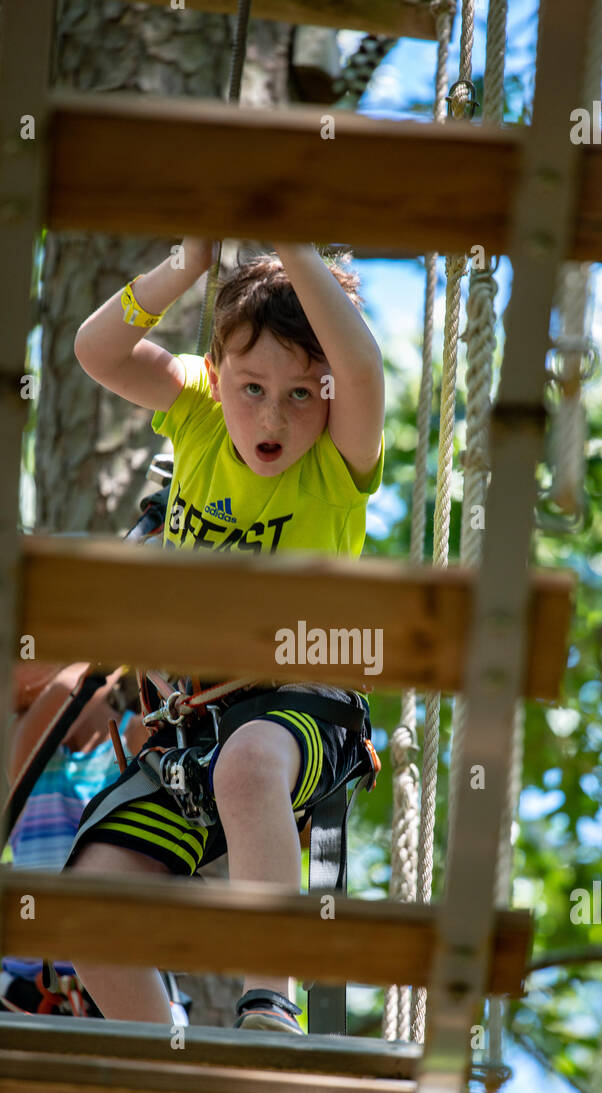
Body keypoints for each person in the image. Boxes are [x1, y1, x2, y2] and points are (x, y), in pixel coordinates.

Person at [65, 239, 385, 1036]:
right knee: (86, 905)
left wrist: (295, 250)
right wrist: (186, 264)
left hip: (297, 709)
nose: (273, 416)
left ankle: (269, 1000)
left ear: (331, 395)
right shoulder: (198, 416)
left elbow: (365, 371)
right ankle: (172, 1080)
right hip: (190, 732)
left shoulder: (336, 465)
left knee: (247, 770)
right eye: (252, 387)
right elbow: (95, 351)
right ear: (215, 376)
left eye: (302, 393)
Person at [1, 661, 165, 1093]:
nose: (18, 674)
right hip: (31, 1006)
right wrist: (97, 649)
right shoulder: (22, 744)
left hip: (111, 1004)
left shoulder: (143, 741)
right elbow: (62, 699)